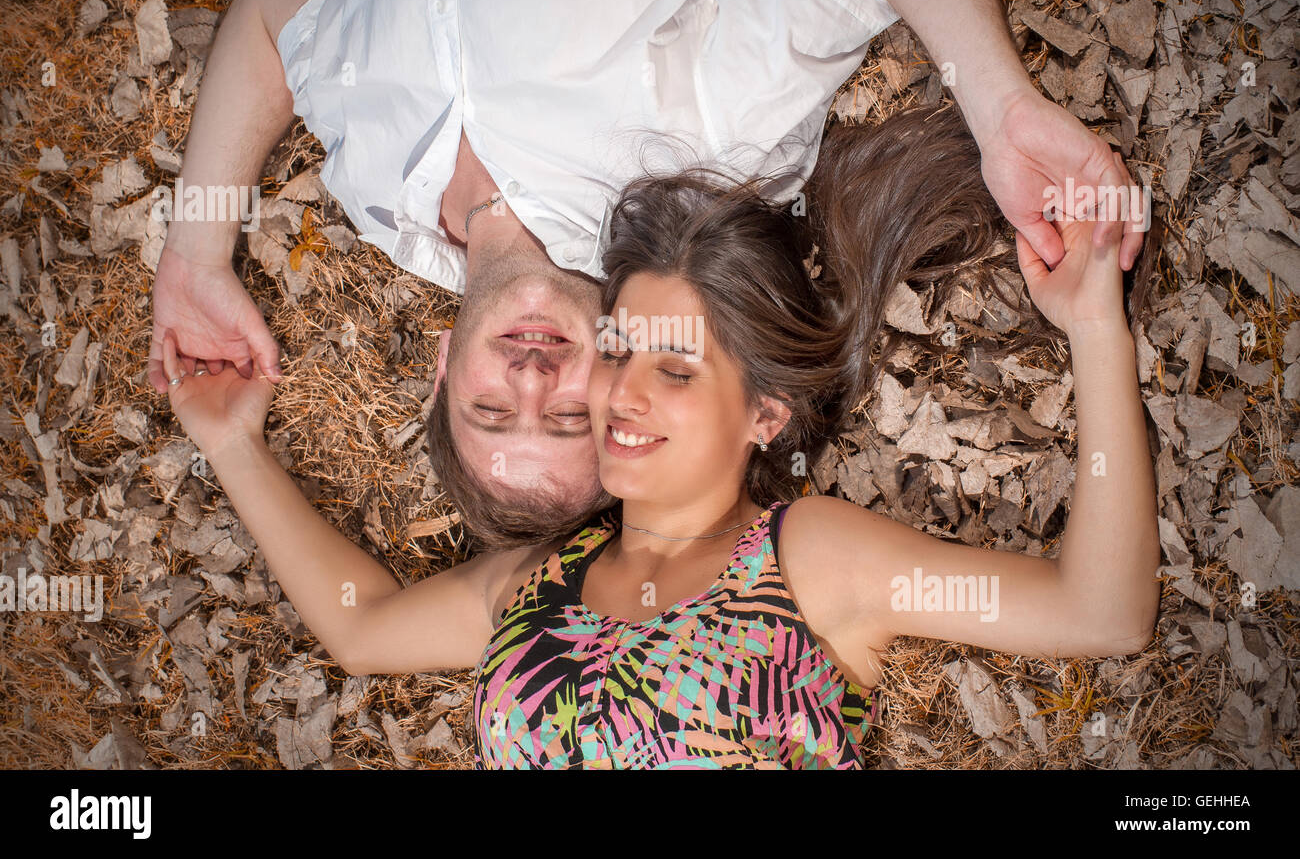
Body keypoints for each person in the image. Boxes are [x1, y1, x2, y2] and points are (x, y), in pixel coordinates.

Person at [162, 104, 1159, 768]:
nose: (623, 395)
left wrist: (1093, 329)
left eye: (675, 370)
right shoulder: (538, 582)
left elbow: (1100, 614)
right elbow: (362, 627)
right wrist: (231, 443)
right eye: (623, 351)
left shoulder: (808, 560)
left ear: (762, 416)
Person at [149, 0, 1147, 549]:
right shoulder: (693, 161)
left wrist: (195, 246)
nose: (535, 384)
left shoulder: (378, 198)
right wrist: (1002, 108)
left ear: (447, 365)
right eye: (572, 416)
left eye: (494, 411)